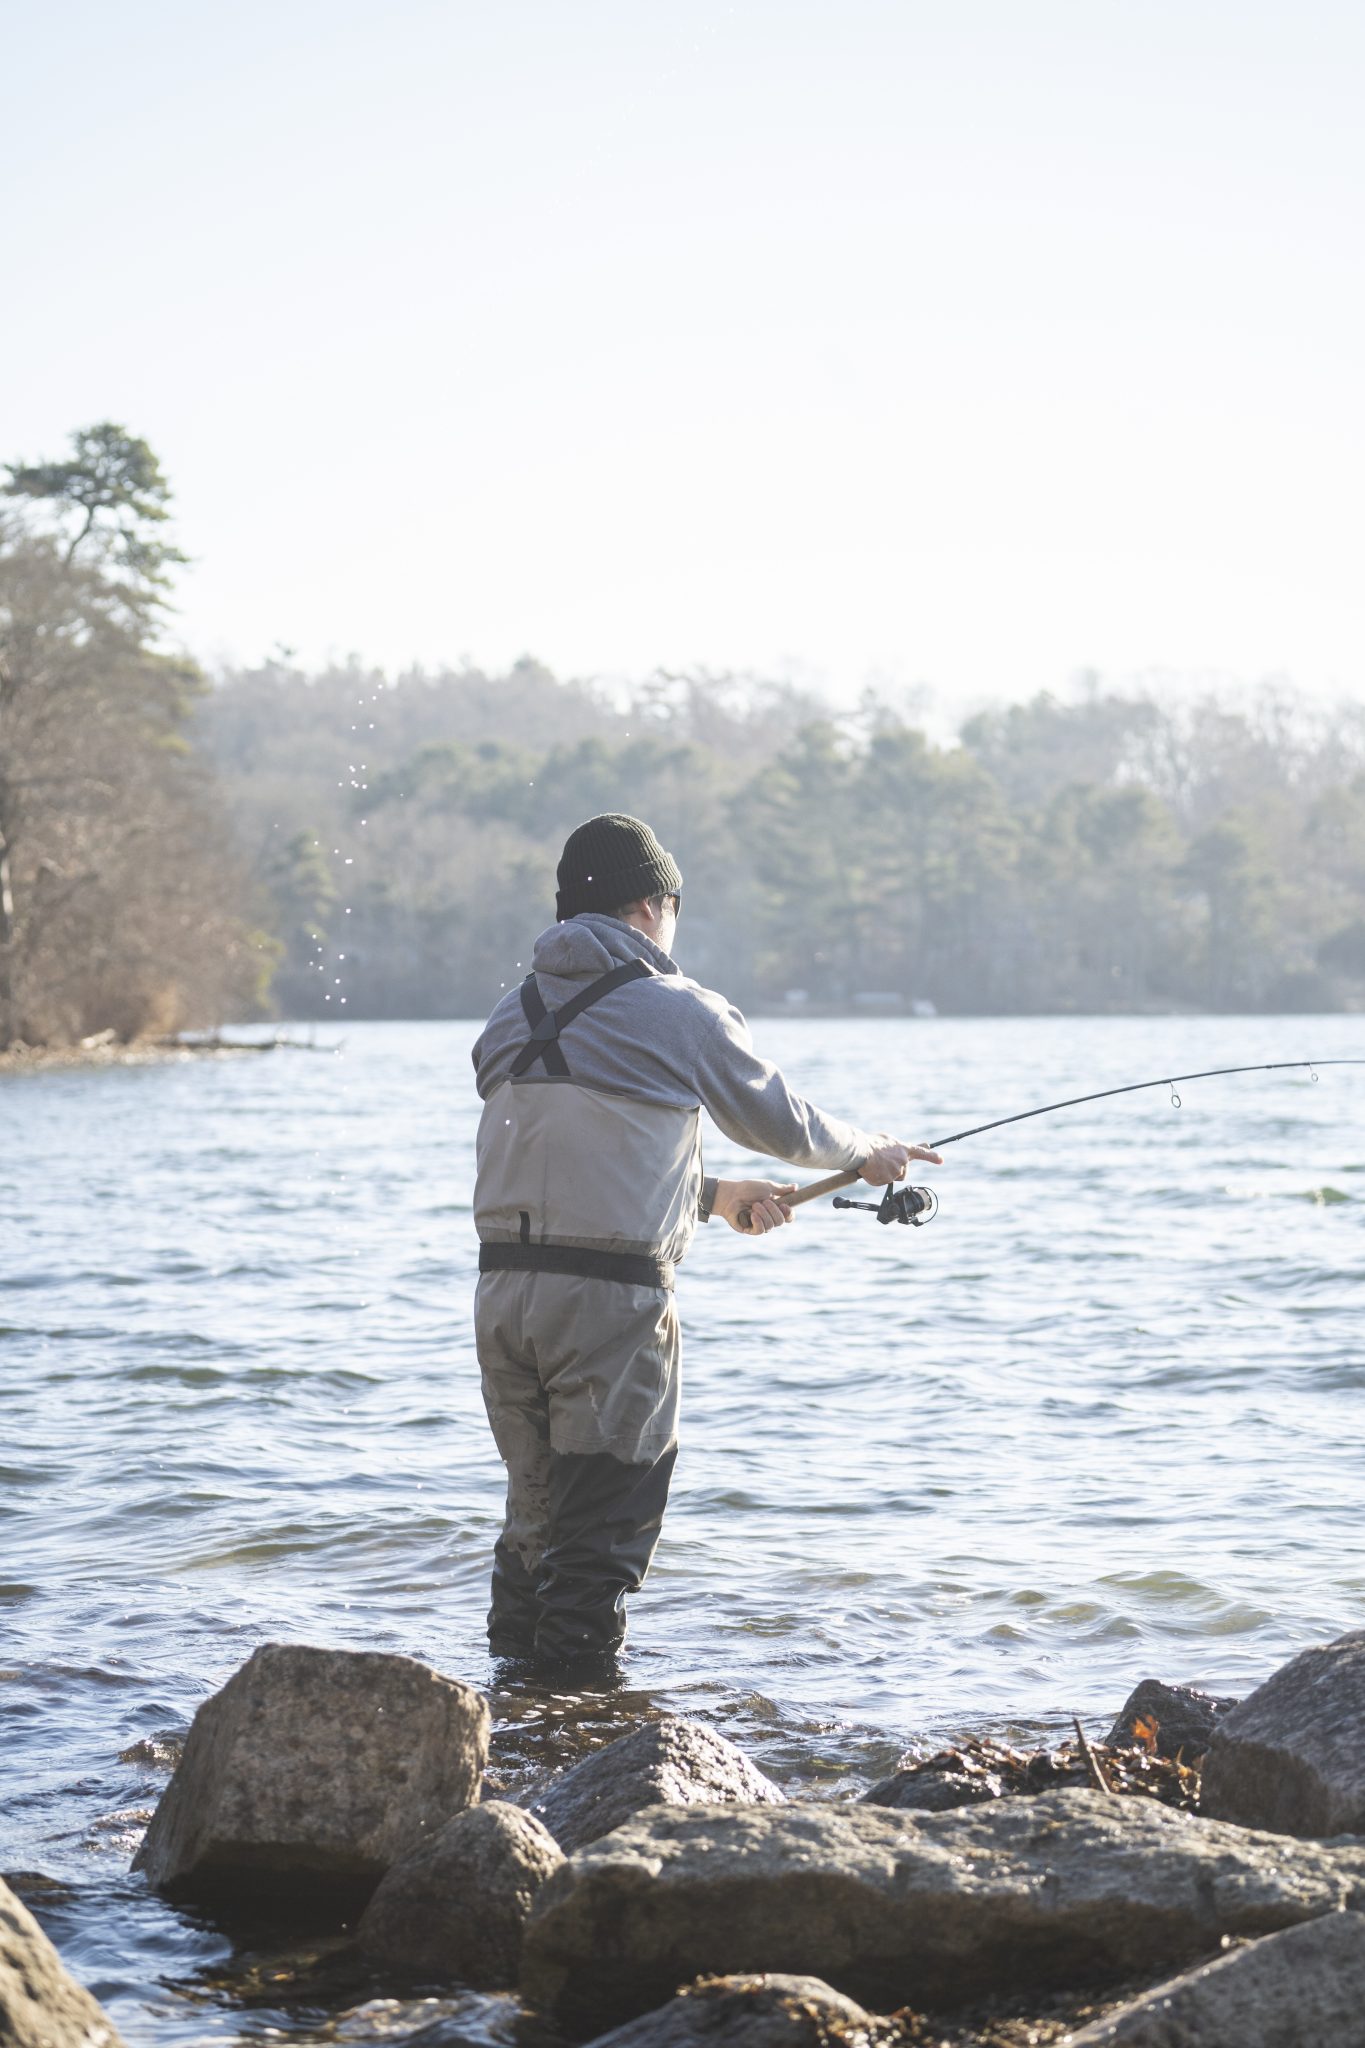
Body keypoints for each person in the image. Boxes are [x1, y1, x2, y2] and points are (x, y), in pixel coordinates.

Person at [470, 812, 941, 1670]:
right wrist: (868, 1153)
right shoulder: (677, 1010)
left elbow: (568, 1156)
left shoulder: (507, 1018)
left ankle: (510, 1718)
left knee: (534, 1519)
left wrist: (714, 1197)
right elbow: (779, 1122)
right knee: (602, 1525)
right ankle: (579, 1733)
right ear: (652, 906)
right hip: (609, 1308)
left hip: (502, 1296)